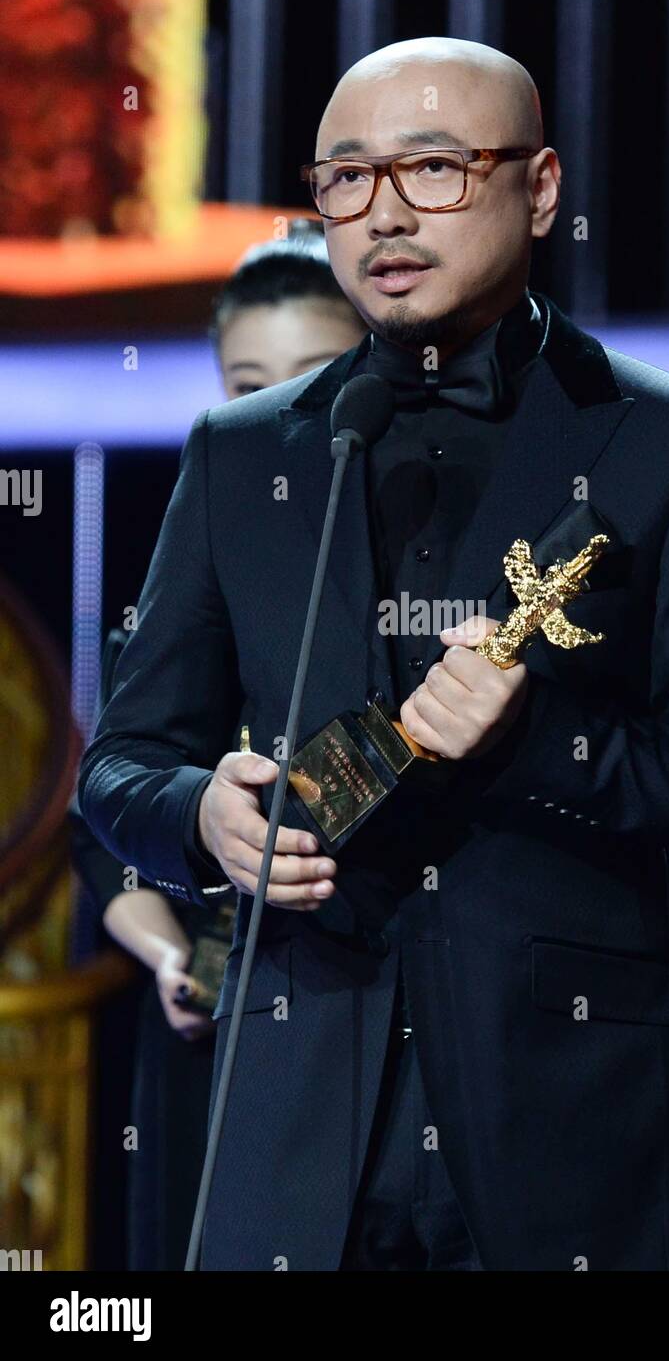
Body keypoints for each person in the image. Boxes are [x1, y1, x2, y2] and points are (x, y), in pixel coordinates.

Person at [79, 38, 669, 1271]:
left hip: (564, 1138)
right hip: (293, 1117)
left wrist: (540, 741)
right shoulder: (240, 452)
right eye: (347, 179)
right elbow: (121, 769)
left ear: (540, 189)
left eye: (435, 168)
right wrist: (205, 815)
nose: (386, 214)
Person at [70, 221, 366, 1270]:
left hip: (369, 1032)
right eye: (248, 381)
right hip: (220, 1032)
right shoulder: (186, 600)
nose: (279, 410)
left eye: (315, 374)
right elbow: (104, 831)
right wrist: (170, 961)